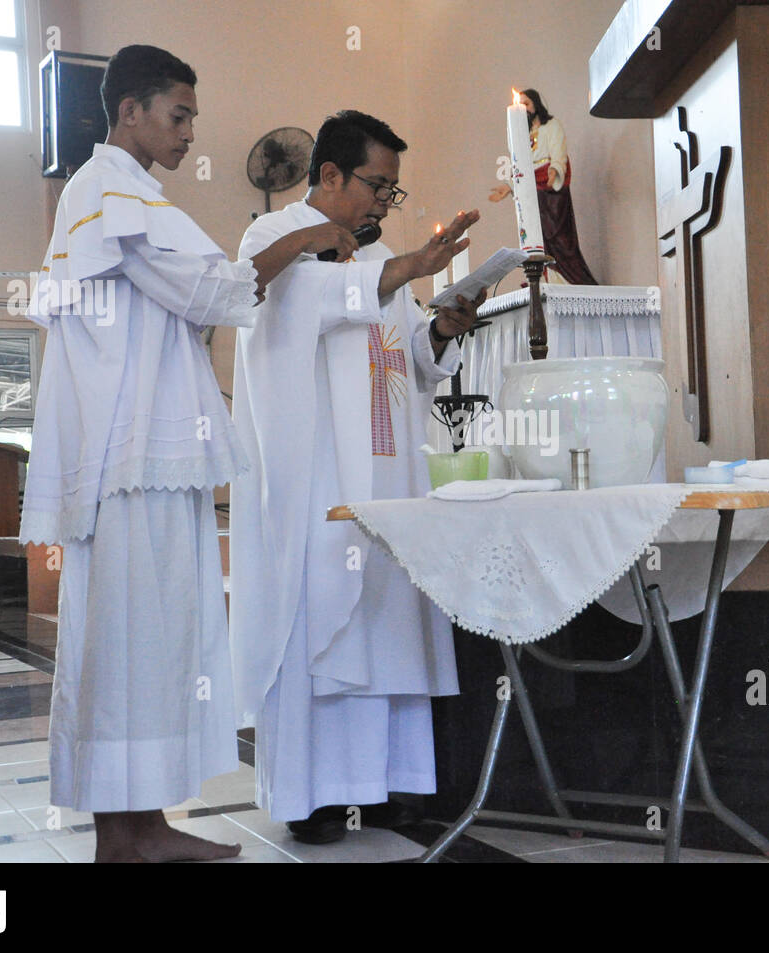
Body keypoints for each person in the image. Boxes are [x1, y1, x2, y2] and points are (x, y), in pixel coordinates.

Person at [17, 45, 327, 862]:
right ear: (130, 111)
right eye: (179, 115)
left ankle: (141, 828)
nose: (190, 133)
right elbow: (212, 291)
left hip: (145, 458)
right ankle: (125, 839)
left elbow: (185, 303)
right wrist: (303, 239)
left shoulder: (116, 193)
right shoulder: (111, 190)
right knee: (129, 644)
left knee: (143, 643)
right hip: (134, 461)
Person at [229, 110, 483, 844]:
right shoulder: (270, 242)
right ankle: (311, 795)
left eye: (393, 192)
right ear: (330, 174)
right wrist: (407, 268)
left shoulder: (384, 261)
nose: (384, 204)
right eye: (378, 185)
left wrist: (438, 328)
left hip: (384, 472)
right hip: (313, 480)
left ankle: (372, 786)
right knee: (320, 629)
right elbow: (306, 305)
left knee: (381, 628)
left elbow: (407, 357)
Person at [489, 87, 599, 285]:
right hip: (533, 194)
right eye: (520, 105)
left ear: (536, 104)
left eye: (526, 104)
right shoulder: (524, 135)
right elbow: (522, 167)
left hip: (552, 192)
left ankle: (568, 280)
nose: (524, 108)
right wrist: (509, 186)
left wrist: (555, 169)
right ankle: (545, 278)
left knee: (560, 239)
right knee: (538, 237)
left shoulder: (552, 126)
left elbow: (559, 151)